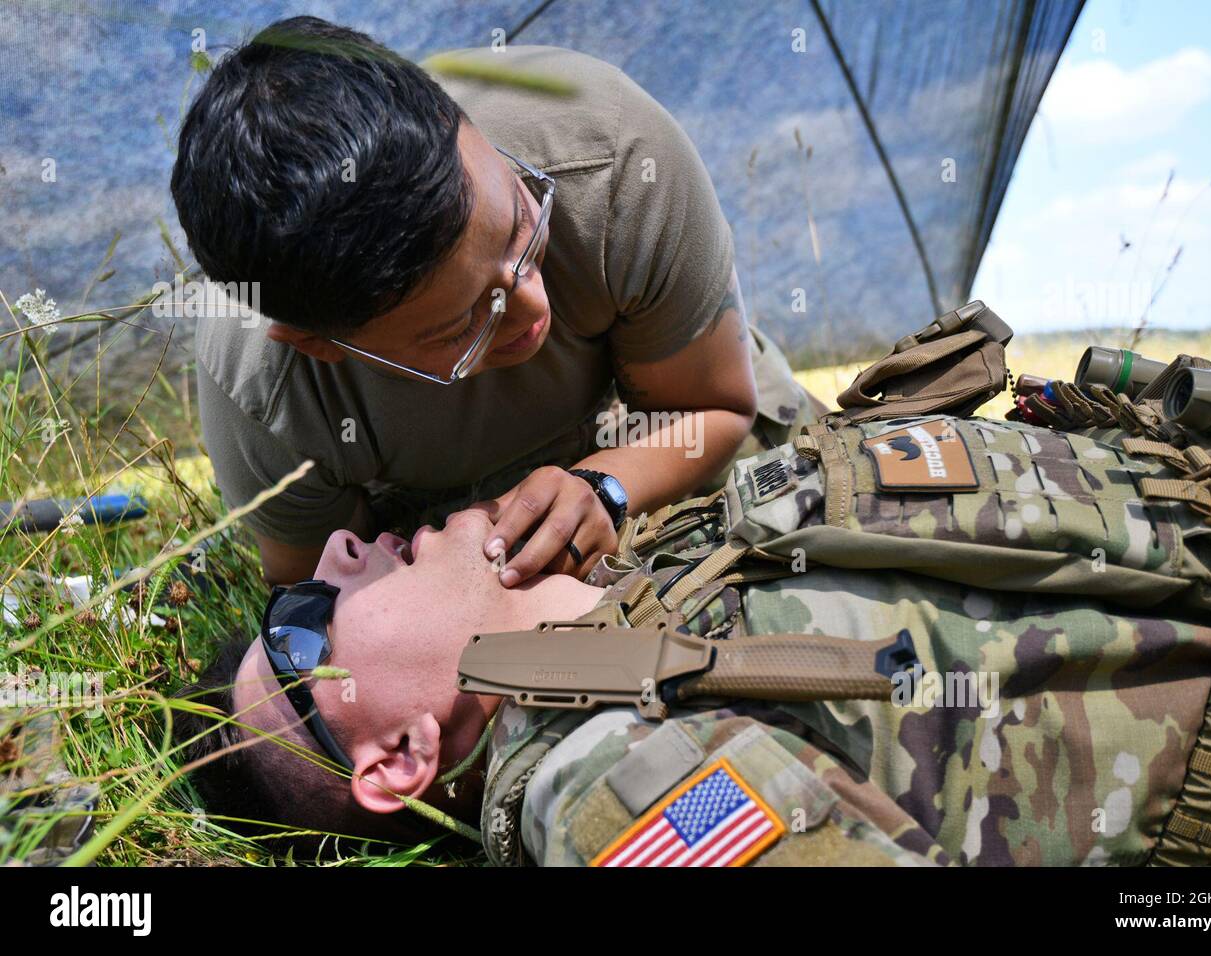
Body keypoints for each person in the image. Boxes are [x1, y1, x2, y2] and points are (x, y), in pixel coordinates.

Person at [178, 399, 1211, 866]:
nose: (332, 557)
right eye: (302, 630)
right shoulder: (613, 785)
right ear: (401, 757)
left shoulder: (651, 575)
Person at [173, 16, 820, 588]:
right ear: (319, 344)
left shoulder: (609, 154)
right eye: (464, 323)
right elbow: (326, 594)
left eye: (523, 229)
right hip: (446, 531)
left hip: (655, 433)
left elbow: (716, 406)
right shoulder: (264, 392)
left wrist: (606, 487)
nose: (533, 306)